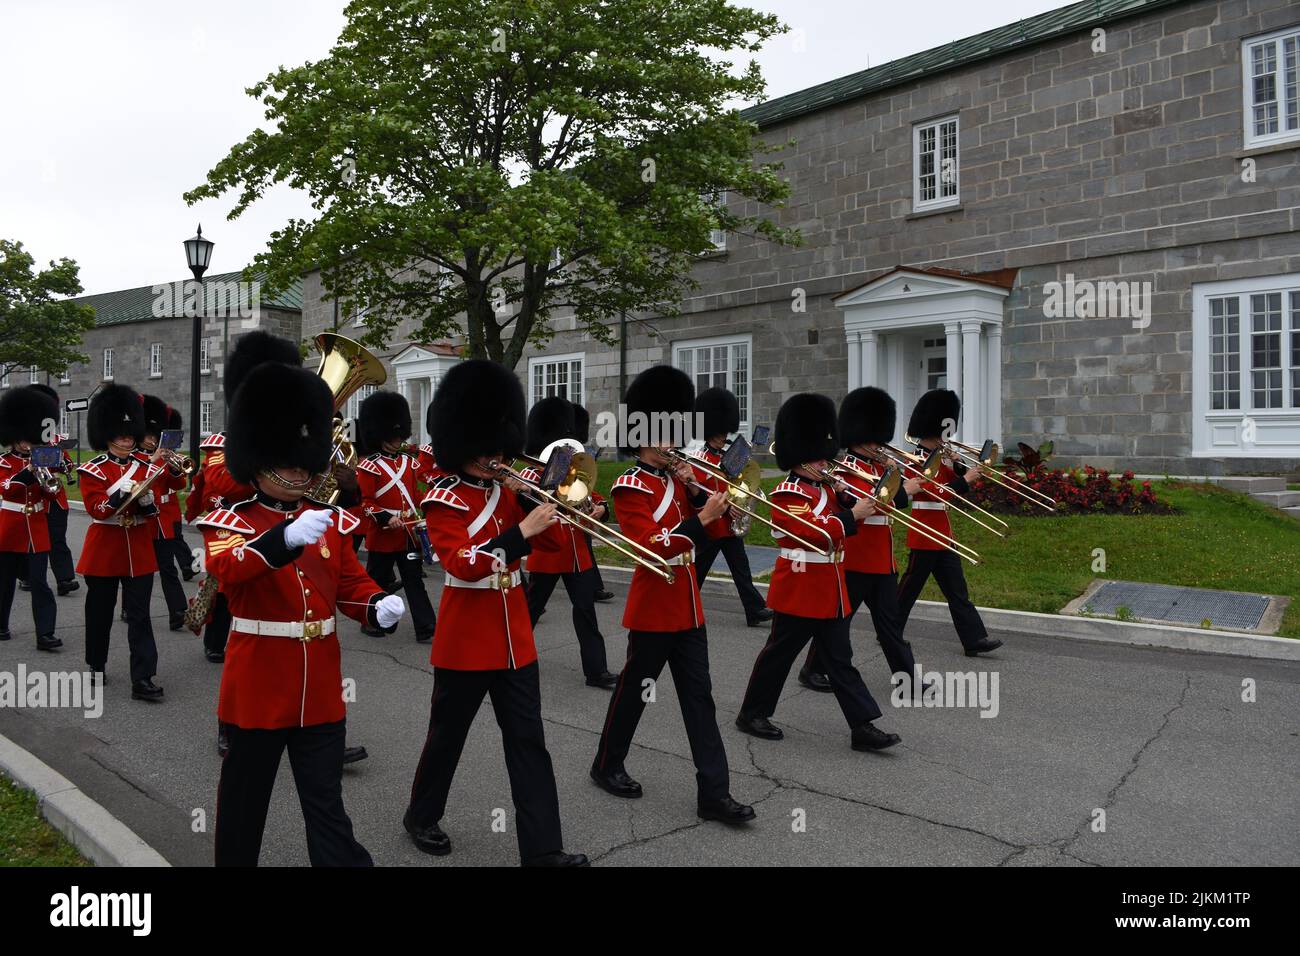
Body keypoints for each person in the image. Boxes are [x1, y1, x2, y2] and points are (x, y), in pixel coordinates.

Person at [198, 356, 405, 867]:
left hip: (320, 688)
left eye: (303, 461)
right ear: (259, 457)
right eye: (287, 461)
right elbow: (229, 568)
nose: (297, 470)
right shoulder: (230, 519)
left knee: (326, 803)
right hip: (258, 687)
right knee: (246, 804)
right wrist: (281, 541)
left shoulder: (326, 520)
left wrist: (376, 603)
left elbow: (348, 582)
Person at [405, 359, 587, 867]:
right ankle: (421, 815)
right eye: (483, 449)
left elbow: (550, 542)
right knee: (447, 739)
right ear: (460, 443)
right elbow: (462, 566)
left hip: (514, 641)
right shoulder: (444, 499)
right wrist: (519, 531)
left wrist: (557, 504)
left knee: (530, 744)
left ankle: (543, 850)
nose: (493, 457)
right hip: (466, 642)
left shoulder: (509, 490)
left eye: (498, 446)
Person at [590, 365, 755, 826]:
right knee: (634, 693)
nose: (672, 444)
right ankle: (607, 763)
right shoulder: (629, 486)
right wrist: (700, 520)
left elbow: (721, 528)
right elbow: (650, 548)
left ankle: (714, 794)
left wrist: (719, 500)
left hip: (688, 604)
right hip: (654, 606)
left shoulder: (682, 480)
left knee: (699, 698)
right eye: (664, 435)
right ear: (642, 436)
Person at [734, 393, 901, 752]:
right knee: (778, 654)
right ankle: (752, 713)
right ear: (798, 457)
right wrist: (851, 514)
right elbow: (810, 532)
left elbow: (833, 518)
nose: (825, 463)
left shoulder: (827, 488)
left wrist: (845, 497)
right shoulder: (786, 493)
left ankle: (862, 726)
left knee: (840, 660)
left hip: (830, 588)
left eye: (826, 455)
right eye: (817, 457)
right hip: (800, 587)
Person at [797, 387, 924, 694]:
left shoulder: (880, 467)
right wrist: (904, 489)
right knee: (837, 622)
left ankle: (907, 681)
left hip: (881, 559)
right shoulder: (845, 470)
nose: (878, 445)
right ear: (857, 436)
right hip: (856, 558)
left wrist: (895, 476)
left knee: (890, 625)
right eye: (873, 439)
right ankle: (812, 667)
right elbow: (868, 504)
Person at [895, 389, 1002, 657]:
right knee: (909, 589)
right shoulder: (916, 458)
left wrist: (957, 465)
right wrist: (965, 480)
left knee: (957, 590)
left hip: (942, 531)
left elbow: (950, 481)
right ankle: (889, 629)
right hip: (925, 530)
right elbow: (935, 491)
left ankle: (974, 639)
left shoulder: (941, 455)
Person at [520, 396, 616, 689]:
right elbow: (529, 505)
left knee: (586, 611)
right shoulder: (529, 472)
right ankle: (508, 655)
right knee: (530, 612)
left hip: (577, 552)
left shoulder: (570, 464)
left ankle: (596, 670)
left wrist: (602, 509)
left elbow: (590, 494)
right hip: (548, 550)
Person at [77, 385, 164, 701]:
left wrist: (149, 503)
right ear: (107, 434)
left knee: (140, 616)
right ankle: (96, 664)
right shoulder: (93, 469)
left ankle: (143, 677)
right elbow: (97, 508)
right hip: (105, 547)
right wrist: (123, 494)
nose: (127, 439)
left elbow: (153, 512)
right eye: (120, 434)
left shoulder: (146, 468)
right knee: (99, 612)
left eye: (130, 434)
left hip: (138, 548)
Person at [685, 387, 773, 627]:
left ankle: (754, 610)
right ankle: (684, 605)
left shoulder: (731, 455)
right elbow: (702, 495)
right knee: (698, 572)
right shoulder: (699, 459)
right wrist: (726, 507)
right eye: (719, 431)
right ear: (709, 432)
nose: (724, 435)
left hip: (730, 527)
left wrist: (742, 501)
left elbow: (740, 483)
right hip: (711, 526)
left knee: (742, 570)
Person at [354, 389, 436, 642]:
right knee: (376, 581)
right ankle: (371, 621)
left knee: (414, 580)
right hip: (384, 533)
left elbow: (415, 496)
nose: (398, 439)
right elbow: (365, 502)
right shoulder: (369, 466)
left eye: (400, 434)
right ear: (379, 435)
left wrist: (432, 507)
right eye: (392, 434)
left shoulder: (408, 463)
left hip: (408, 533)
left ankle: (427, 627)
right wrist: (384, 518)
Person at [0, 386, 62, 650]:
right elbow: (5, 488)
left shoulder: (42, 461)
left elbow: (49, 496)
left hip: (36, 528)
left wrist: (50, 483)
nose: (27, 442)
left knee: (40, 583)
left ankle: (45, 633)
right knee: (4, 584)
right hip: (9, 528)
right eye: (23, 438)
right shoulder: (3, 463)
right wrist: (26, 474)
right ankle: (1, 624)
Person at [140, 396, 192, 631]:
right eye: (149, 436)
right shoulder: (136, 458)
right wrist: (153, 460)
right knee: (140, 572)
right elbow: (136, 482)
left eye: (155, 436)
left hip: (163, 520)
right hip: (142, 520)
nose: (153, 440)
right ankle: (130, 608)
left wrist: (172, 467)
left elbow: (179, 485)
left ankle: (177, 611)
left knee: (168, 568)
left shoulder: (165, 456)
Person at [27, 384, 79, 596]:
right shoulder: (24, 441)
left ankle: (65, 579)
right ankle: (26, 576)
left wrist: (65, 464)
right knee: (31, 541)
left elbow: (65, 464)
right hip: (31, 497)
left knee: (58, 539)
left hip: (55, 498)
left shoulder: (55, 440)